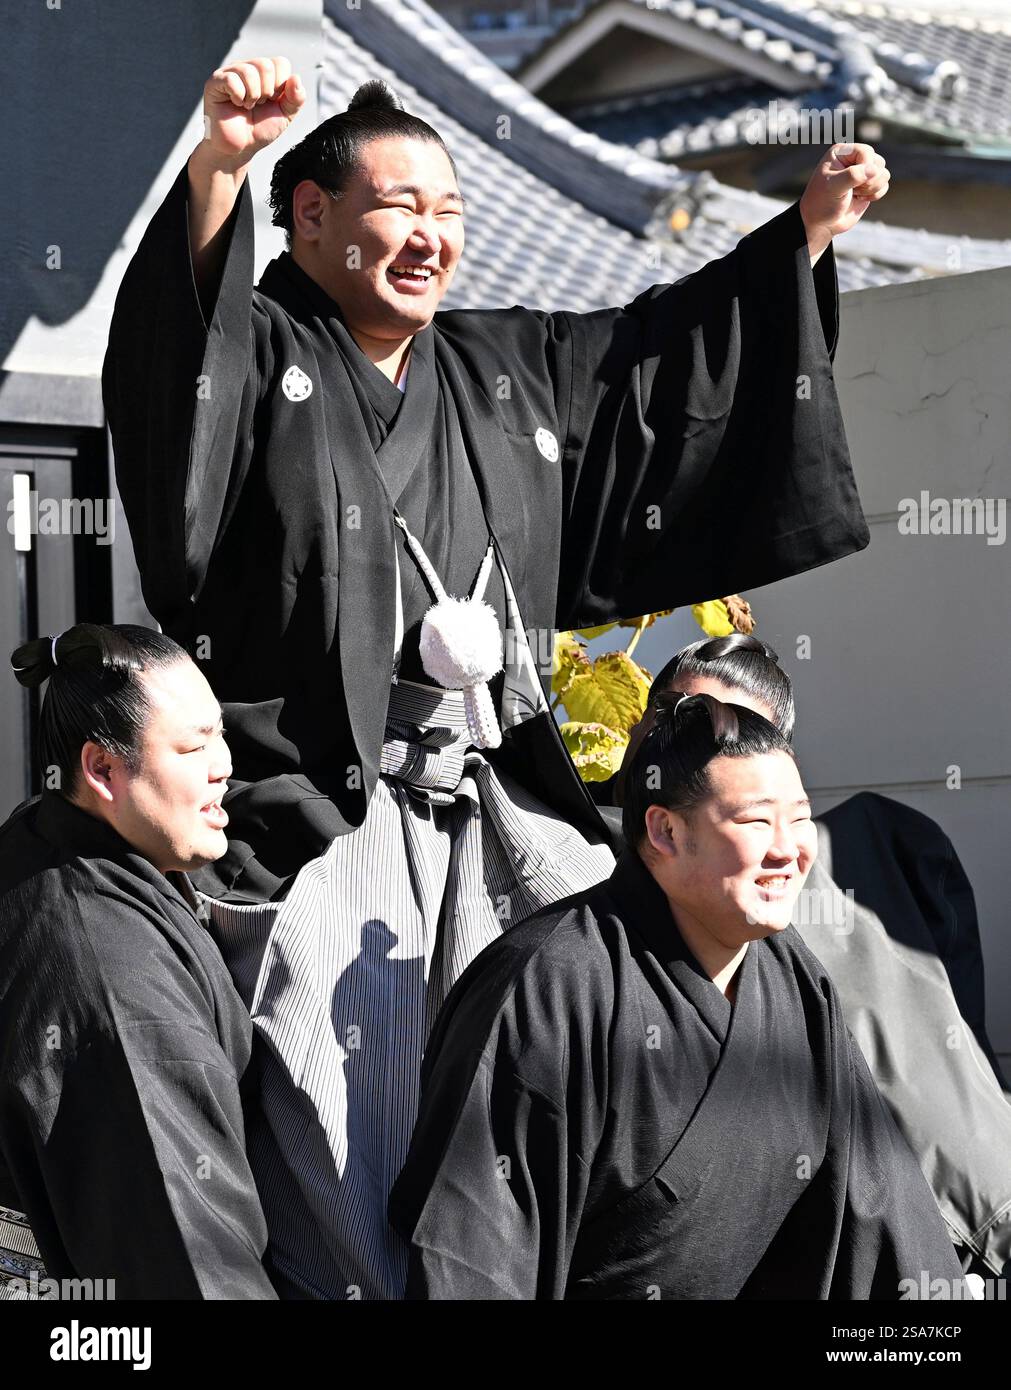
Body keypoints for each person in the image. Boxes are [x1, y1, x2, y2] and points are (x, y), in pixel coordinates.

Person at [102, 54, 887, 1298]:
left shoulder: (503, 367)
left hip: (503, 788)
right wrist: (216, 174)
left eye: (453, 214)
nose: (434, 236)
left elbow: (655, 356)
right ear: (311, 217)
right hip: (322, 810)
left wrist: (796, 240)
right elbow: (173, 370)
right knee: (330, 1060)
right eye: (401, 206)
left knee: (590, 992)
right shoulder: (264, 354)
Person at [388, 692, 965, 1299]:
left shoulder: (798, 984)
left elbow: (882, 1210)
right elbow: (471, 1259)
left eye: (799, 818)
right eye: (754, 821)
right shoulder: (545, 989)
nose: (788, 850)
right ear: (664, 830)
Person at [589, 633, 1011, 1281]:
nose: (685, 744)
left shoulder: (862, 864)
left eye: (720, 730)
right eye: (671, 715)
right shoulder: (588, 879)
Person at [0, 625, 276, 1299]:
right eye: (192, 746)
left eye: (218, 733)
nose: (223, 765)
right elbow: (187, 1263)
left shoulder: (40, 836)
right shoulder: (113, 981)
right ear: (100, 770)